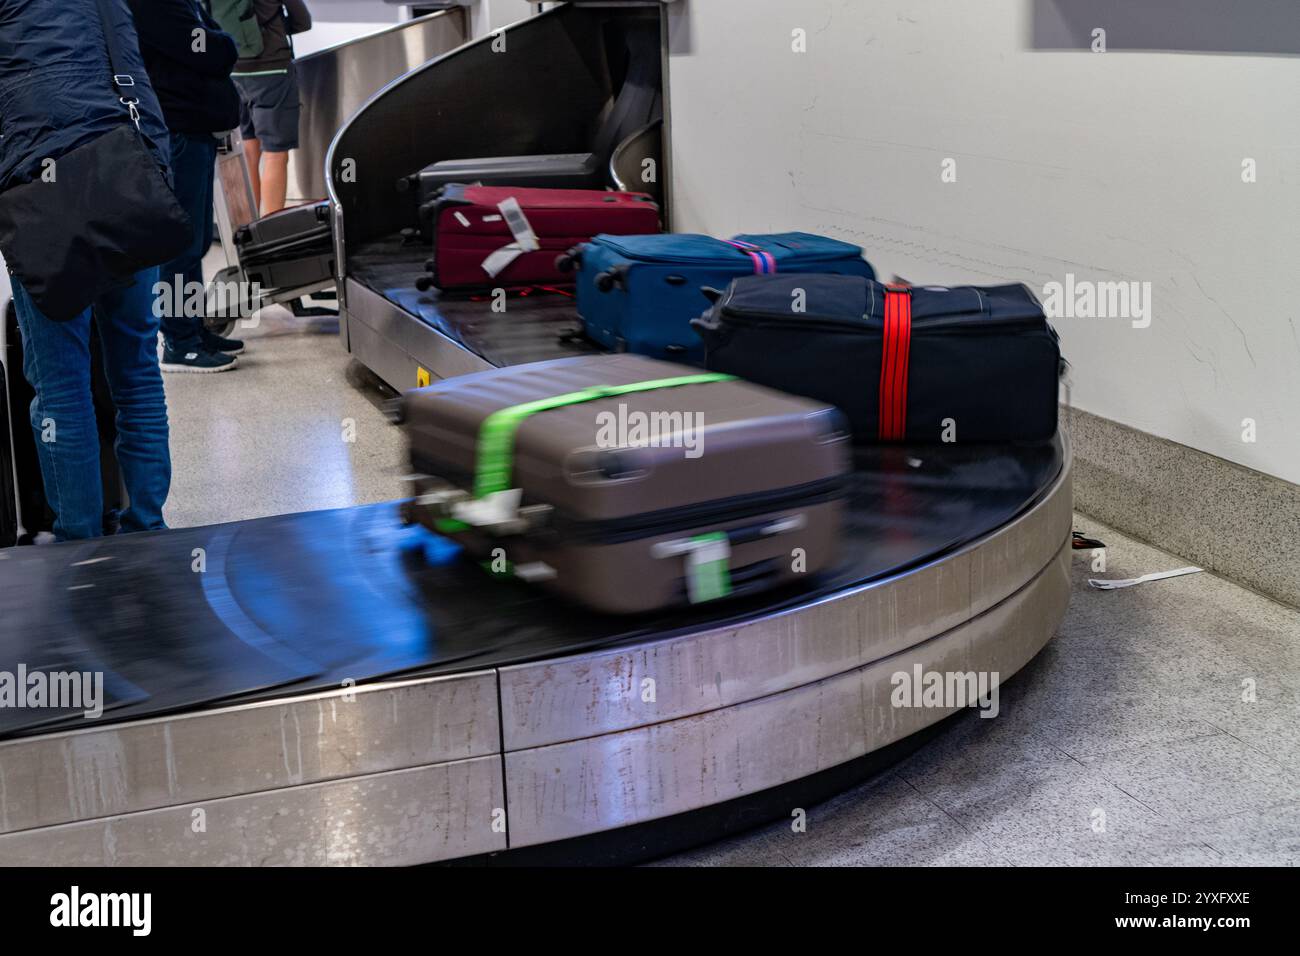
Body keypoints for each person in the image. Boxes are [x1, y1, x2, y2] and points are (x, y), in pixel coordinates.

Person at [0, 0, 173, 540]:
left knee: (60, 386)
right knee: (138, 374)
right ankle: (149, 528)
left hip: (42, 191)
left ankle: (79, 543)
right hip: (132, 175)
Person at [129, 0, 246, 372]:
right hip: (177, 130)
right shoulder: (156, 6)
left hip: (193, 129)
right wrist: (220, 44)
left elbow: (215, 40)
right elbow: (210, 49)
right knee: (181, 241)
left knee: (193, 241)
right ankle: (180, 341)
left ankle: (193, 328)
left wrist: (219, 43)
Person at [228, 1, 312, 216]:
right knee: (275, 155)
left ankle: (248, 231)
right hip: (272, 70)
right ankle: (269, 237)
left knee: (249, 152)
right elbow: (302, 21)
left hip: (234, 70)